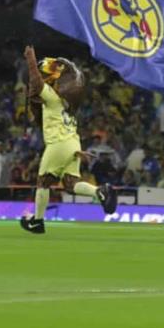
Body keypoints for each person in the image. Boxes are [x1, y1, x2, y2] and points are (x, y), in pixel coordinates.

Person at [20, 45, 116, 234]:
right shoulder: (69, 106)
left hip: (58, 144)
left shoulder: (52, 97)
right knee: (71, 184)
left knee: (43, 182)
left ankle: (37, 222)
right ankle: (100, 192)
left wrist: (31, 59)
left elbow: (37, 85)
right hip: (73, 144)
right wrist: (75, 151)